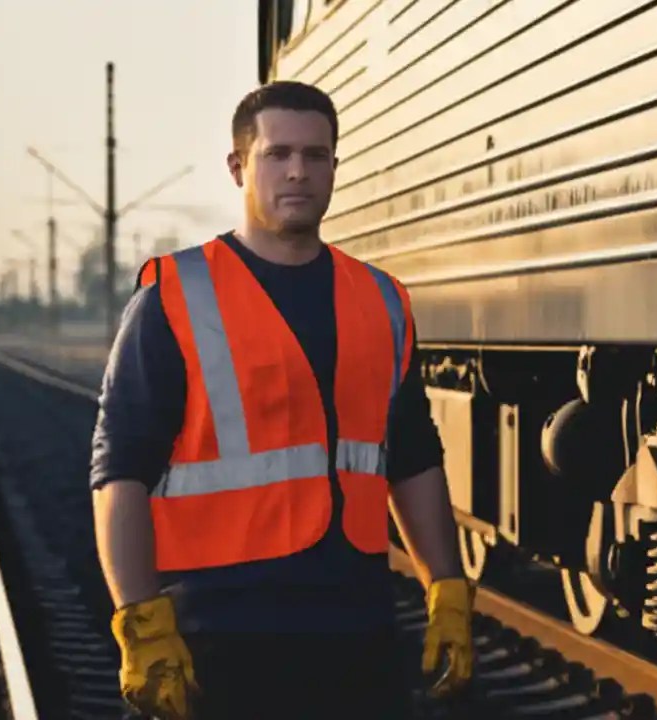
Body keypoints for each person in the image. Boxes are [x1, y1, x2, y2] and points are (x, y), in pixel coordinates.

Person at [89, 80, 473, 719]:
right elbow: (118, 469)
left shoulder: (380, 300)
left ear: (333, 167)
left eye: (316, 156)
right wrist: (140, 625)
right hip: (219, 633)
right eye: (278, 154)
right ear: (239, 167)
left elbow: (411, 456)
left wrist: (448, 589)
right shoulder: (176, 297)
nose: (298, 171)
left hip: (355, 630)